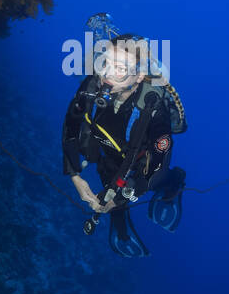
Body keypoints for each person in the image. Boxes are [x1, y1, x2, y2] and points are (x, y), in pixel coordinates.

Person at [62, 31, 186, 258]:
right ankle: (119, 224)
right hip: (108, 148)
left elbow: (158, 164)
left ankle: (175, 183)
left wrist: (123, 196)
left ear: (138, 76)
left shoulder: (153, 106)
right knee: (106, 176)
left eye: (120, 70)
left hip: (143, 160)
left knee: (148, 180)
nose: (107, 76)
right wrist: (75, 176)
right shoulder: (92, 84)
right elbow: (71, 127)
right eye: (105, 64)